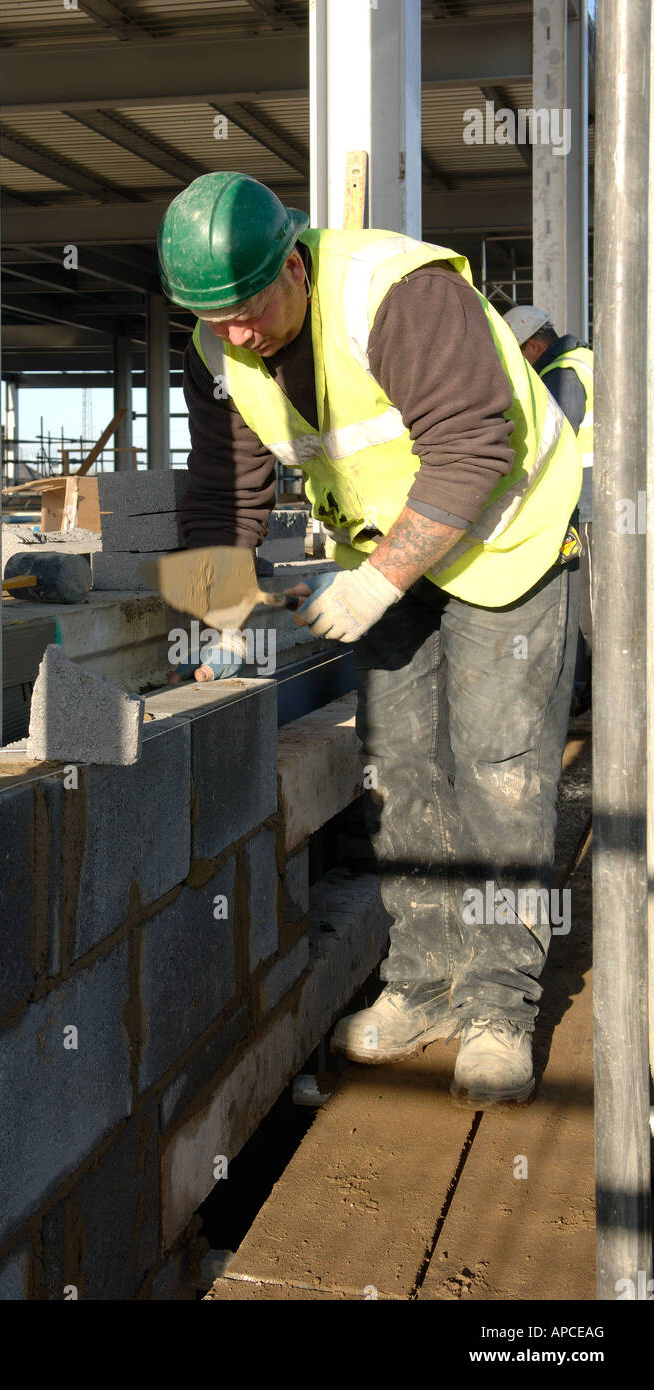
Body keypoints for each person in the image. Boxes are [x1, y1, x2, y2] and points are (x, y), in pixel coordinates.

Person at [158, 172, 581, 1106]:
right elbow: (227, 489)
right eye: (208, 316)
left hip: (506, 542)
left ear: (294, 264)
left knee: (498, 775)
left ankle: (499, 1008)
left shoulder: (394, 294)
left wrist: (375, 582)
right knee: (401, 773)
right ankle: (425, 984)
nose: (233, 334)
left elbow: (474, 447)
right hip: (389, 557)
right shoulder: (217, 344)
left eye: (247, 307)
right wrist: (213, 615)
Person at [503, 305, 593, 714]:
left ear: (534, 345)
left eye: (519, 352)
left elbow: (554, 440)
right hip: (598, 503)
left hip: (588, 505)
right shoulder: (583, 361)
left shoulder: (561, 373)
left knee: (584, 608)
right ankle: (590, 695)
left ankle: (580, 697)